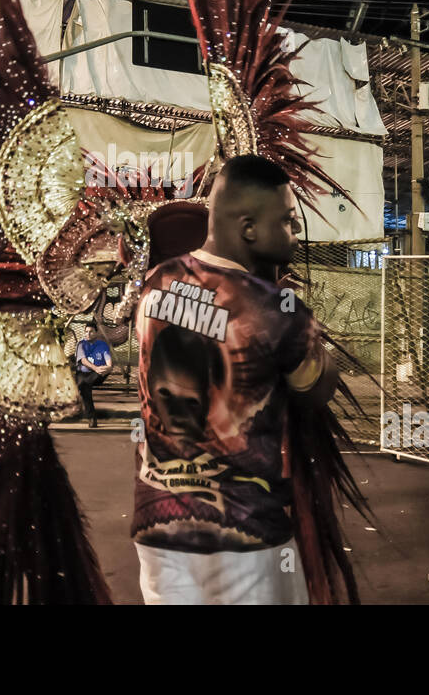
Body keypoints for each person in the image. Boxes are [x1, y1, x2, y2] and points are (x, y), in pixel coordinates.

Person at [131, 155, 338, 605]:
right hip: (246, 538)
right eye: (286, 222)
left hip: (158, 528)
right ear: (249, 229)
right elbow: (318, 390)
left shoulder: (154, 282)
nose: (295, 234)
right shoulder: (275, 310)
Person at [73, 325, 113, 428]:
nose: (88, 334)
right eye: (86, 331)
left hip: (98, 374)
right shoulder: (81, 344)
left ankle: (91, 417)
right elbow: (83, 360)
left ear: (97, 332)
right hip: (84, 372)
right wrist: (96, 368)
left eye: (91, 331)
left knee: (83, 384)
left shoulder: (102, 345)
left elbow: (108, 362)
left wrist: (108, 368)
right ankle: (92, 417)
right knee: (83, 384)